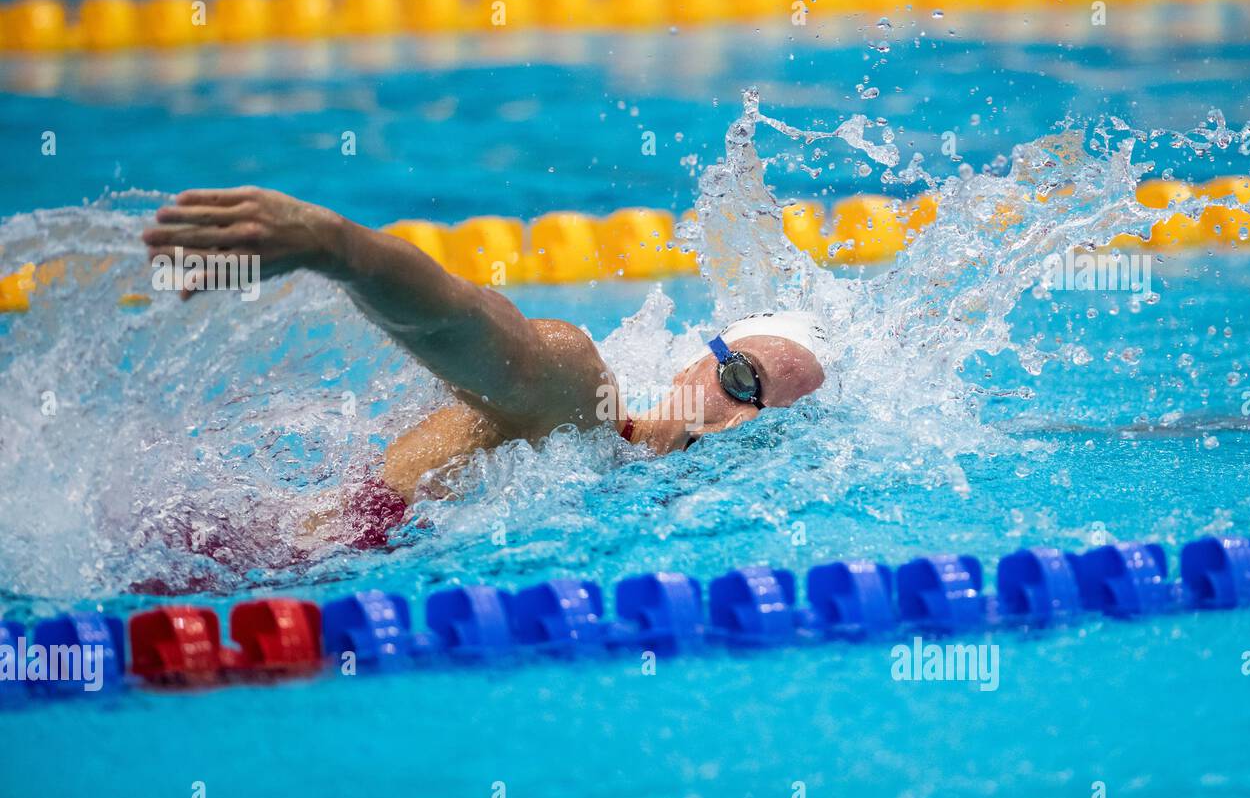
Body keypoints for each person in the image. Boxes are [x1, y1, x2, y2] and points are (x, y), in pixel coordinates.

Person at [142, 186, 827, 550]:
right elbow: (458, 319)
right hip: (231, 564)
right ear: (693, 362)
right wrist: (338, 247)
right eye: (742, 381)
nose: (736, 425)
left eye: (769, 425)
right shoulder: (578, 399)